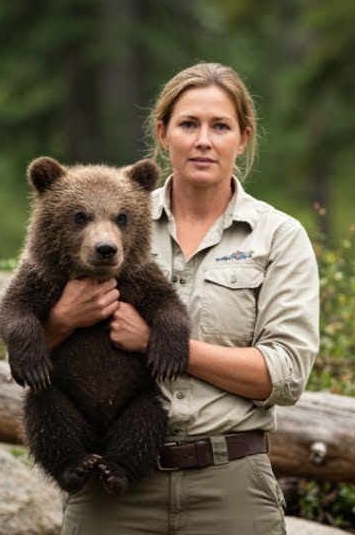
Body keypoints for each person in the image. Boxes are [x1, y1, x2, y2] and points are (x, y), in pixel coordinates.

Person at [43, 62, 320, 535]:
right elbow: (25, 350)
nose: (203, 141)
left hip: (229, 481)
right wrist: (63, 320)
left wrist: (161, 343)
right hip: (111, 480)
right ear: (163, 133)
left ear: (243, 138)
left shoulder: (278, 237)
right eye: (189, 124)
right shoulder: (101, 218)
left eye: (220, 127)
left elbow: (286, 375)